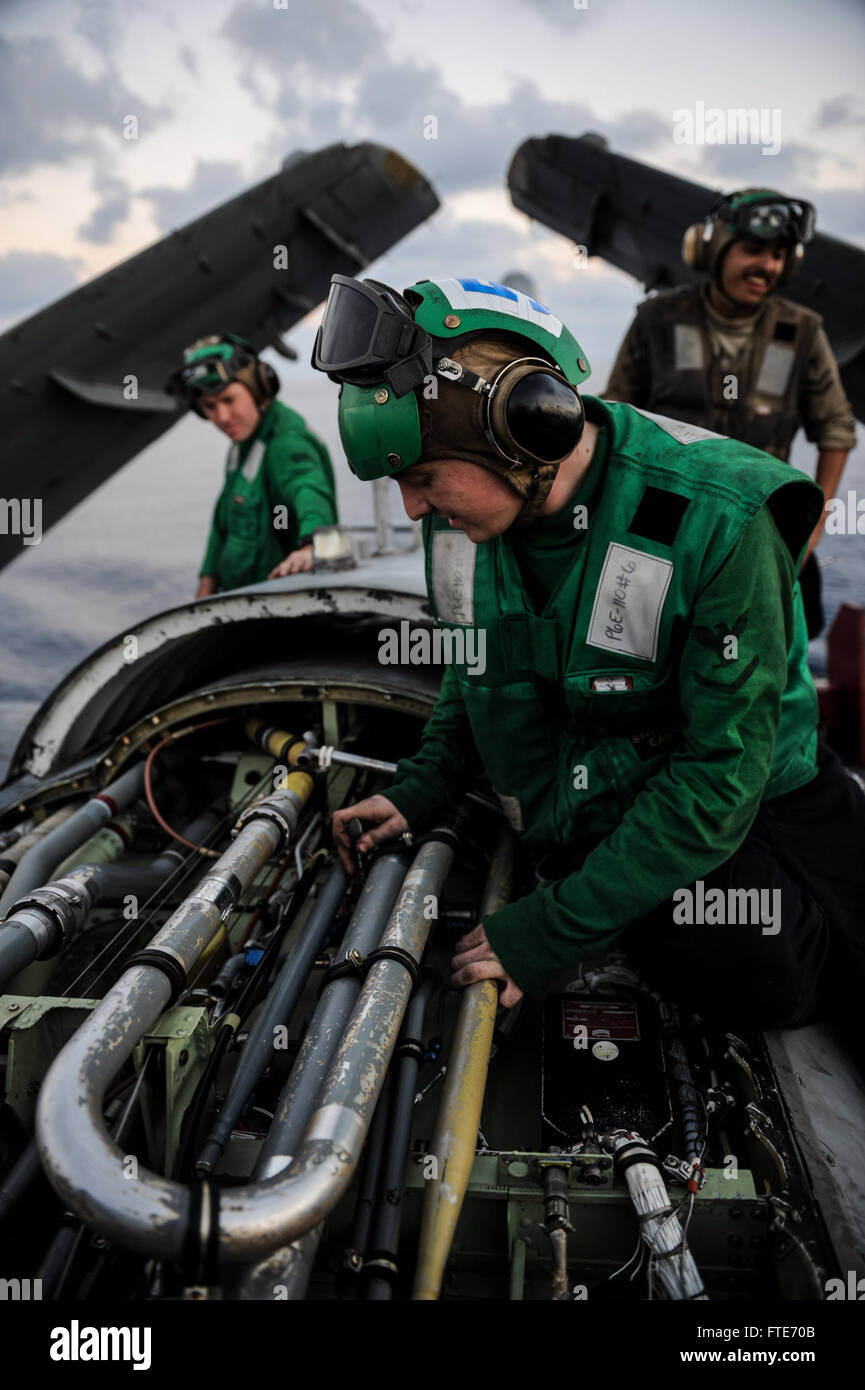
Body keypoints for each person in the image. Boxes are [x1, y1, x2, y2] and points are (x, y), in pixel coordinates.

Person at [312, 274, 865, 1038]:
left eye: (422, 476)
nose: (412, 508)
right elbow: (472, 667)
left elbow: (720, 772)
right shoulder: (459, 528)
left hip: (751, 805)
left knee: (755, 972)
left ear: (522, 426)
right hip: (590, 810)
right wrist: (419, 789)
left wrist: (549, 932)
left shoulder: (717, 518)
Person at [604, 189, 857, 637]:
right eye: (753, 250)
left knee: (760, 656)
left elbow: (836, 429)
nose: (768, 266)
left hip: (763, 525)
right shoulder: (657, 319)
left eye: (780, 256)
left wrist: (813, 529)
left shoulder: (801, 332)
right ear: (711, 250)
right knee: (638, 642)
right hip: (661, 522)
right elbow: (614, 416)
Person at [172, 333, 338, 595]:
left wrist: (312, 544)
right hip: (241, 600)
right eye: (209, 406)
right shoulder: (243, 445)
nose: (222, 417)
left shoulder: (286, 442)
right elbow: (223, 520)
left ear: (258, 387)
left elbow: (308, 488)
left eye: (228, 400)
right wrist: (207, 579)